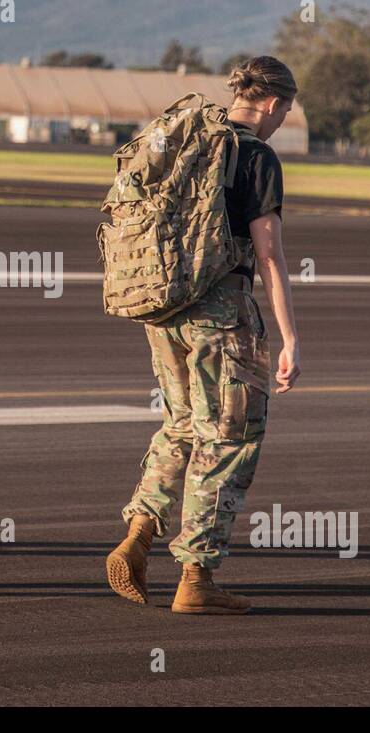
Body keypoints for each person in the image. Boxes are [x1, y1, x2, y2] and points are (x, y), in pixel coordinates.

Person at [106, 55, 302, 613]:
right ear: (270, 102)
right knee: (230, 438)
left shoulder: (185, 143)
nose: (283, 119)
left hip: (164, 306)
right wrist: (290, 337)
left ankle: (139, 533)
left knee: (183, 423)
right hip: (221, 312)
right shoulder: (256, 155)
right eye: (285, 109)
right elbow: (269, 254)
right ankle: (196, 577)